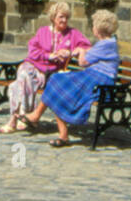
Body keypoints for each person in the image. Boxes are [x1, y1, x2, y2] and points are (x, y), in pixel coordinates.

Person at [24, 9, 120, 147]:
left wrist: (81, 51)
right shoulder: (108, 43)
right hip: (95, 77)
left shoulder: (105, 45)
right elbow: (92, 53)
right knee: (56, 81)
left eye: (93, 25)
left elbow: (83, 62)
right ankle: (51, 126)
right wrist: (78, 51)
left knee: (57, 83)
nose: (92, 28)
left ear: (97, 29)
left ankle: (41, 119)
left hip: (99, 81)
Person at [0, 1, 90, 134]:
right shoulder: (43, 32)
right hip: (32, 66)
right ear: (53, 18)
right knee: (22, 77)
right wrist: (50, 56)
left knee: (17, 85)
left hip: (50, 74)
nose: (64, 20)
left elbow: (86, 47)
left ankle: (16, 120)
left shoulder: (73, 33)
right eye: (61, 17)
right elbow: (32, 51)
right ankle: (24, 116)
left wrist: (72, 52)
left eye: (66, 17)